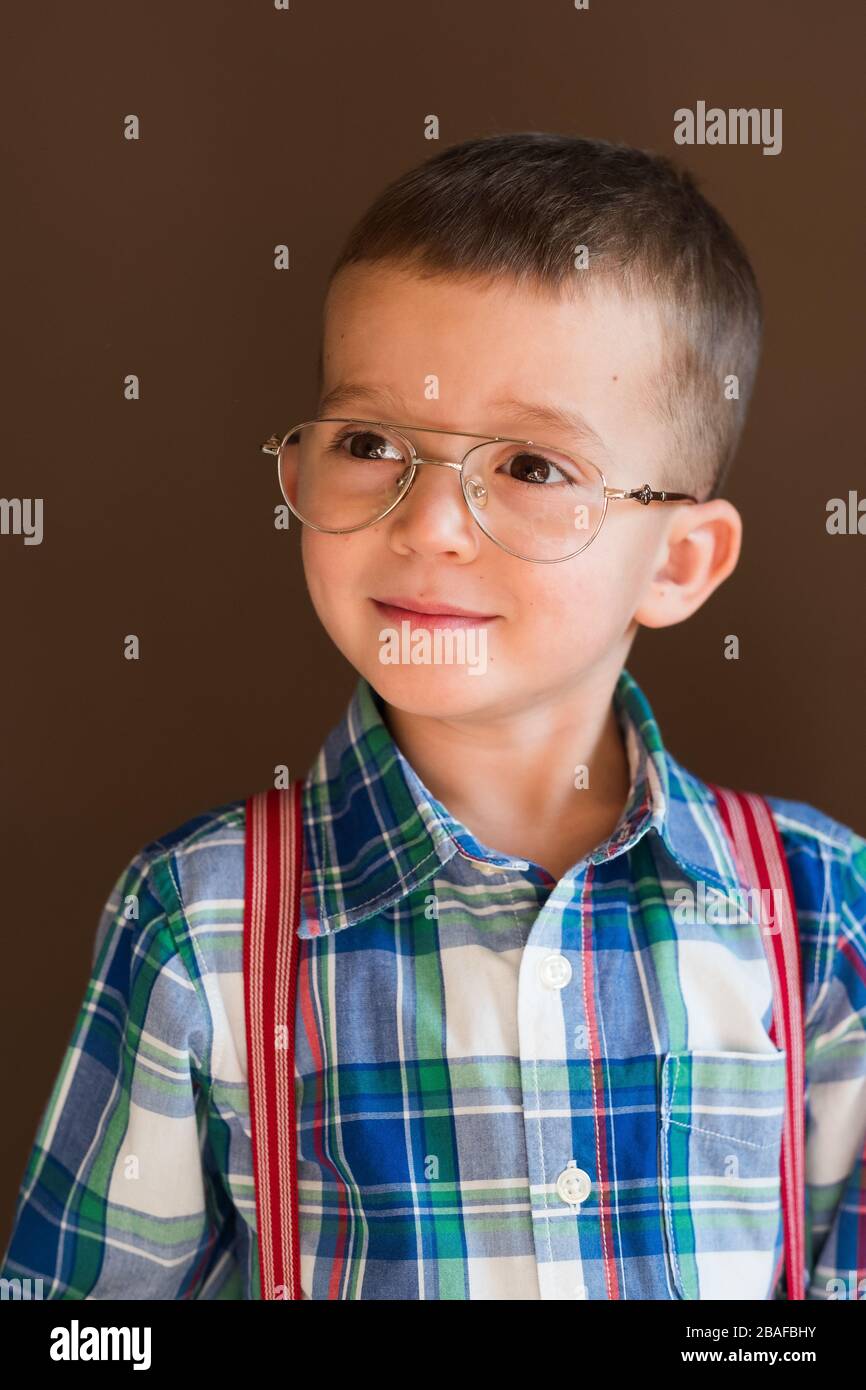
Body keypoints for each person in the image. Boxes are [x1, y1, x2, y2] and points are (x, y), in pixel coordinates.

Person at [3, 132, 864, 1301]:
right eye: (370, 444)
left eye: (531, 466)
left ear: (676, 563)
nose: (430, 525)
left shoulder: (820, 915)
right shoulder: (198, 924)